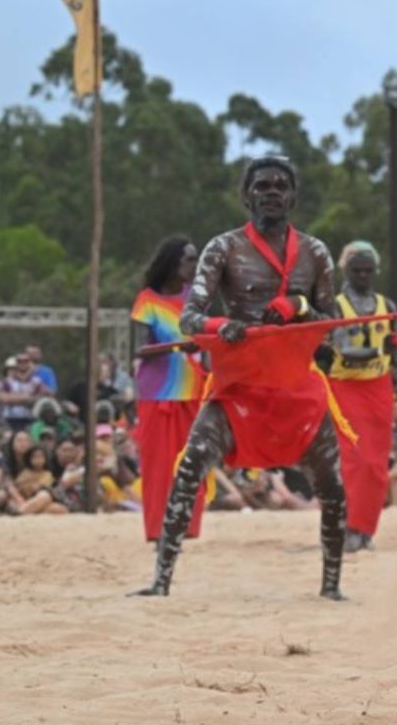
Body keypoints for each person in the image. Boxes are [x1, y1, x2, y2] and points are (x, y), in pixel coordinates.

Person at [134, 155, 351, 600]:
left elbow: (330, 318)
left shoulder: (315, 253)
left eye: (280, 186)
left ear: (292, 196)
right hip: (239, 387)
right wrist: (221, 327)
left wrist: (297, 307)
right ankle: (160, 582)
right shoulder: (223, 248)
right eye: (263, 185)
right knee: (190, 466)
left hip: (297, 388)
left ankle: (331, 587)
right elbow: (191, 318)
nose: (272, 192)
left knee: (332, 486)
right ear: (247, 195)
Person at [328, 240, 397, 553]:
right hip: (345, 387)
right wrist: (378, 349)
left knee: (375, 466)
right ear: (345, 270)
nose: (362, 276)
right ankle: (346, 528)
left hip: (378, 389)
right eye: (356, 270)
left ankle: (365, 530)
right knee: (352, 460)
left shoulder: (387, 306)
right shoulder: (335, 306)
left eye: (368, 271)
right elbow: (344, 348)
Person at [131, 235, 209, 543]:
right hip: (157, 394)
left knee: (192, 462)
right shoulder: (147, 300)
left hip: (193, 390)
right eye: (189, 259)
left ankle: (187, 526)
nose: (194, 265)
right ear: (173, 263)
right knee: (158, 465)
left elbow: (207, 345)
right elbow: (139, 350)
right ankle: (157, 529)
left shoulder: (196, 299)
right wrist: (179, 346)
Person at [0, 354, 52, 433]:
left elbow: (48, 395)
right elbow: (2, 398)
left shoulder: (36, 381)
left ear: (30, 364)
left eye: (25, 362)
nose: (22, 364)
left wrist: (14, 399)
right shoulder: (6, 382)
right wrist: (28, 398)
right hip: (10, 419)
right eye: (20, 362)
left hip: (31, 419)